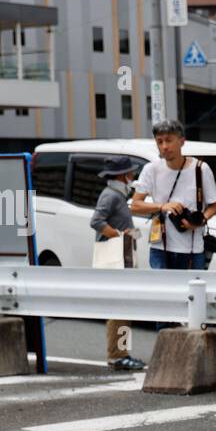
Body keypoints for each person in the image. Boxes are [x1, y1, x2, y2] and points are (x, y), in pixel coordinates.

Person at [131, 119, 216, 273]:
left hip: (192, 248)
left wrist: (200, 221)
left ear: (182, 141)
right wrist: (162, 206)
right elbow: (135, 205)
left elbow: (213, 205)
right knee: (163, 295)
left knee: (192, 294)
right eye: (159, 141)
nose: (164, 146)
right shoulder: (151, 169)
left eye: (169, 141)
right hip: (159, 246)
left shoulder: (201, 169)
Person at [89, 157, 146, 371]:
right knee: (119, 307)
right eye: (131, 173)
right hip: (116, 258)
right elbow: (96, 221)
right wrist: (118, 235)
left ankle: (122, 354)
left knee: (123, 307)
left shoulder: (118, 195)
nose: (132, 177)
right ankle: (117, 355)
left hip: (122, 257)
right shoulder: (112, 195)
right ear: (123, 175)